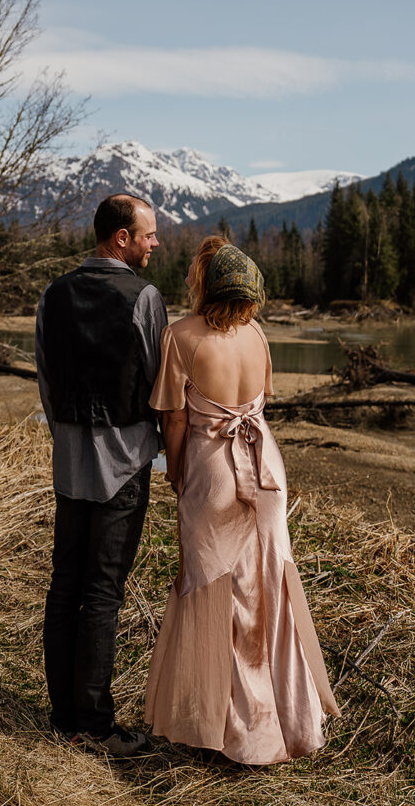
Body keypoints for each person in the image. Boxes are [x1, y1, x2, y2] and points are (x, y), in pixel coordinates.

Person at [144, 236, 340, 764]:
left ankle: (226, 729)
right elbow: (258, 405)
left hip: (214, 472)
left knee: (213, 593)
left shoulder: (180, 336)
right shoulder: (257, 334)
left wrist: (177, 471)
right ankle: (281, 722)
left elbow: (177, 418)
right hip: (265, 469)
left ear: (205, 284)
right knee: (268, 595)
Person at [36, 193, 167, 757]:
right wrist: (164, 452)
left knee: (65, 585)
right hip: (124, 464)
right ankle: (92, 728)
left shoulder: (52, 294)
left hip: (69, 463)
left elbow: (45, 378)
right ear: (122, 239)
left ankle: (63, 715)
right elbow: (161, 385)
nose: (155, 244)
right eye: (149, 234)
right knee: (102, 593)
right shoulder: (145, 298)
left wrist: (65, 437)